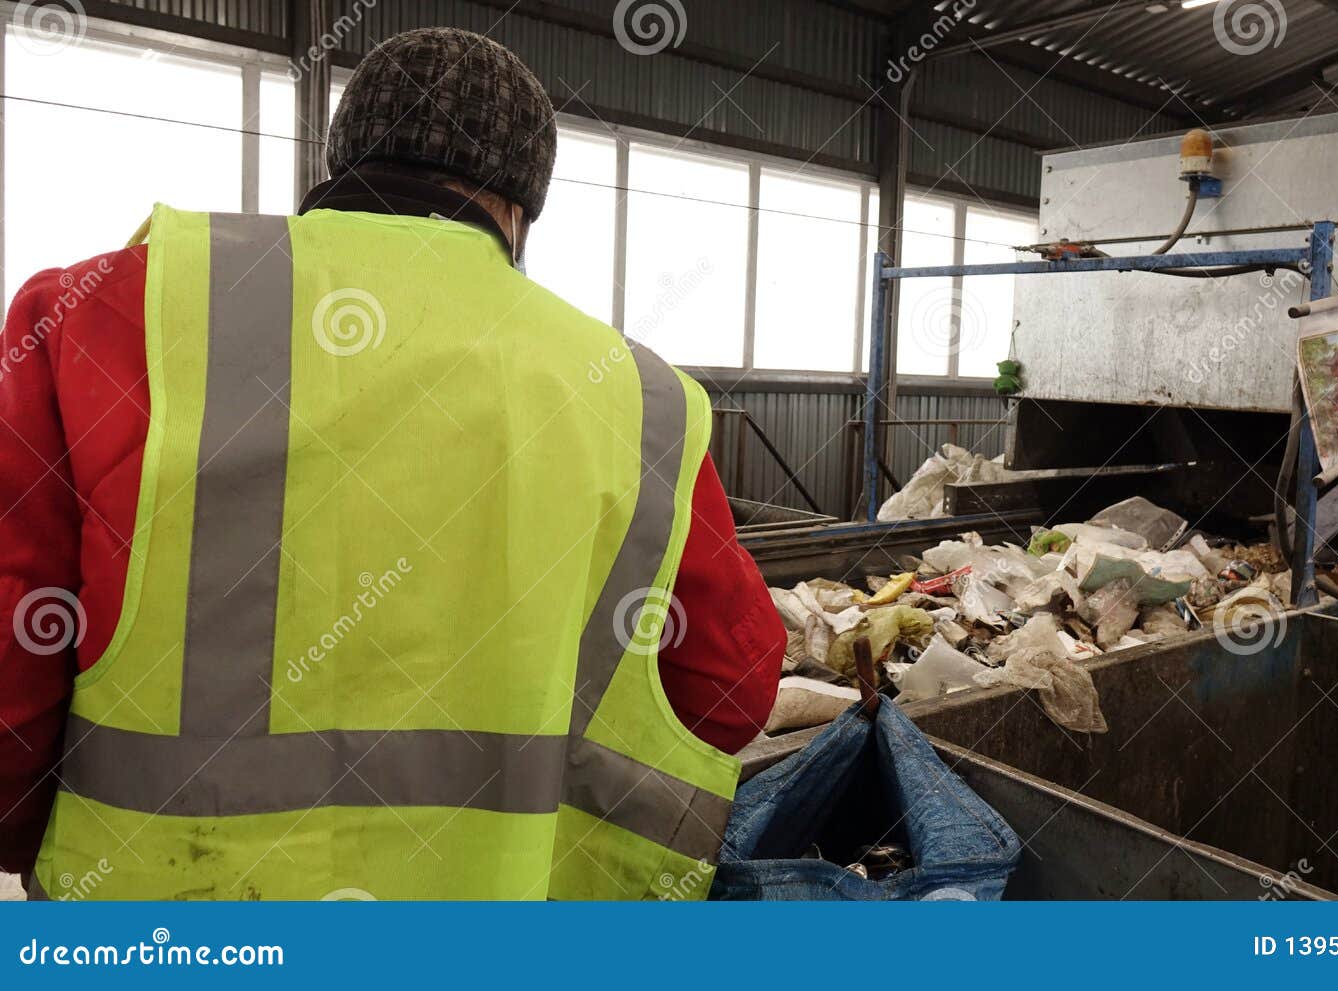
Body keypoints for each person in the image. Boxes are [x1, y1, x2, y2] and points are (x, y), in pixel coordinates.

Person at [0, 27, 783, 900]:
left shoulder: (103, 315)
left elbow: (14, 657)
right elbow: (729, 694)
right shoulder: (642, 402)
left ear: (338, 160)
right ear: (520, 206)